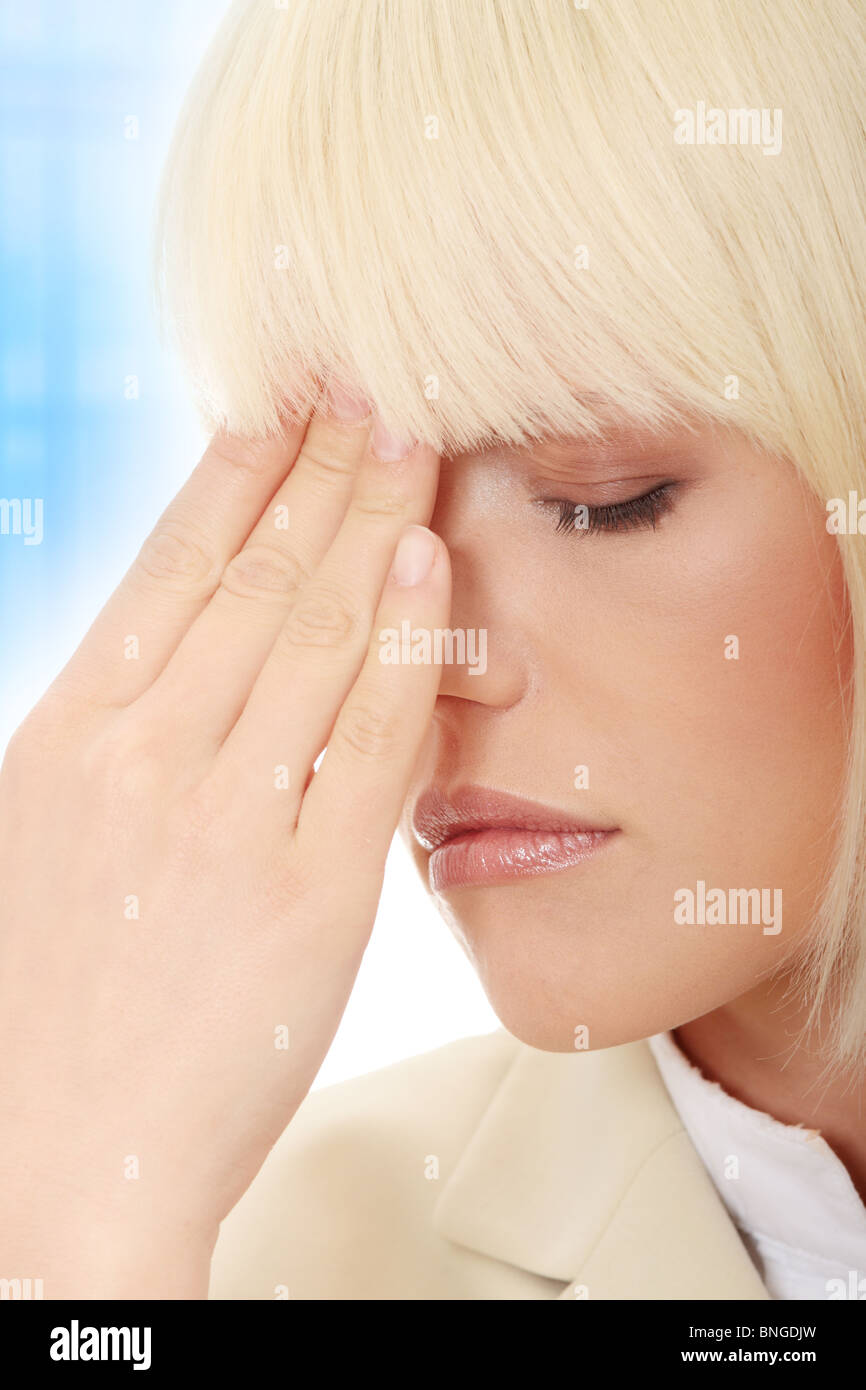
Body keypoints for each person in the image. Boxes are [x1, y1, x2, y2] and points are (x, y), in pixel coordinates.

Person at [1, 0, 865, 1301]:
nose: (424, 660)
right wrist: (76, 1234)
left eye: (599, 492)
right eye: (352, 515)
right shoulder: (257, 1258)